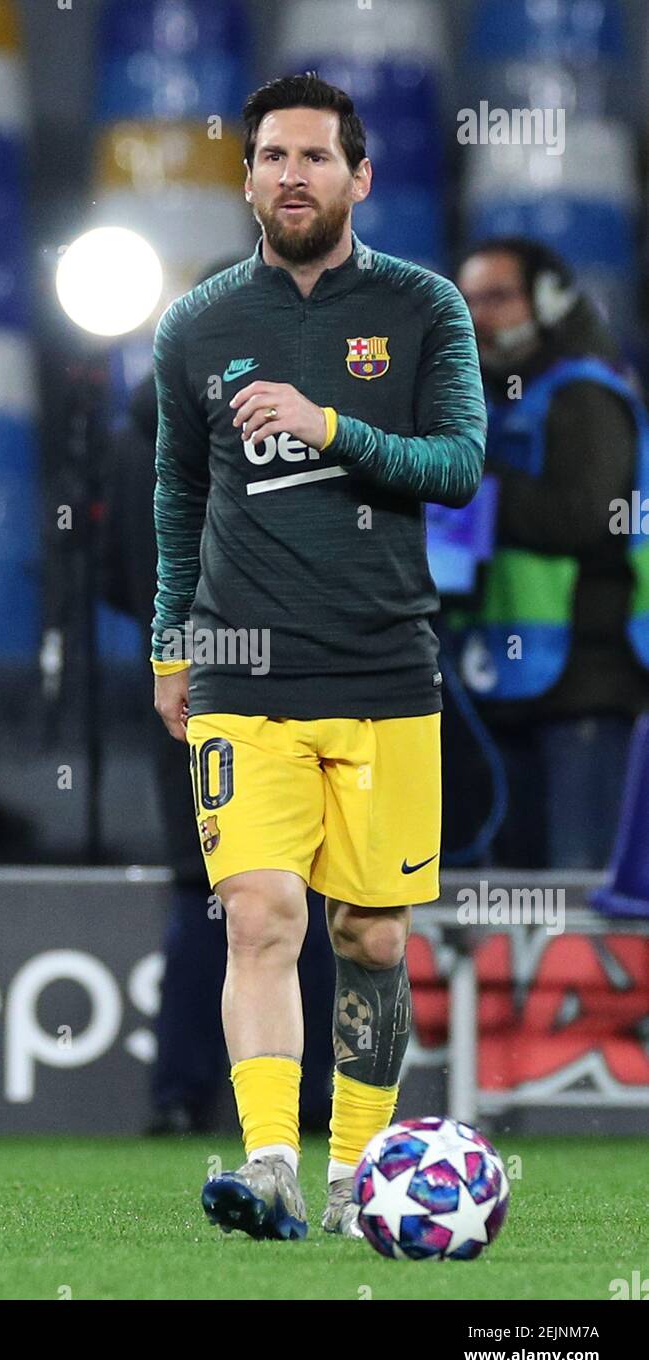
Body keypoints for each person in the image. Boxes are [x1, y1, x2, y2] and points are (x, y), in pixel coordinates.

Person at [150, 73, 486, 1240]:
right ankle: (271, 1165)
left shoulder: (423, 309)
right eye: (270, 156)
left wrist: (327, 424)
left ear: (359, 178)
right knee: (257, 916)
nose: (289, 174)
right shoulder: (196, 323)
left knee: (370, 936)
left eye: (312, 157)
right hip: (245, 672)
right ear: (245, 177)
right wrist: (166, 638)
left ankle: (355, 1181)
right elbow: (175, 490)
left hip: (384, 670)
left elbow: (455, 465)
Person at [99, 348, 337, 1137]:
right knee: (289, 894)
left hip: (180, 690)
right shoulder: (254, 429)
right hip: (275, 690)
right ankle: (304, 1098)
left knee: (199, 892)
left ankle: (181, 1091)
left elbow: (107, 579)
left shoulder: (132, 437)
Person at [455, 239, 649, 868]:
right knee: (510, 916)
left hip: (587, 687)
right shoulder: (483, 404)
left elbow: (578, 519)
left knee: (581, 906)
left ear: (548, 301)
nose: (479, 315)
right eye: (468, 300)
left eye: (498, 297)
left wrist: (470, 478)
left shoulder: (586, 395)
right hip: (505, 683)